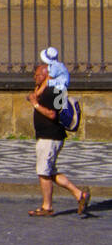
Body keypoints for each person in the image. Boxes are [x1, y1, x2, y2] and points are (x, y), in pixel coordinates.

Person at [26, 62, 90, 217]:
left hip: (50, 137)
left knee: (43, 172)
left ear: (46, 75)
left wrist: (35, 104)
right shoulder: (55, 88)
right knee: (50, 171)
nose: (35, 77)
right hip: (52, 136)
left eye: (38, 74)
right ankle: (79, 194)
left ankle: (47, 207)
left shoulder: (51, 91)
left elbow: (52, 114)